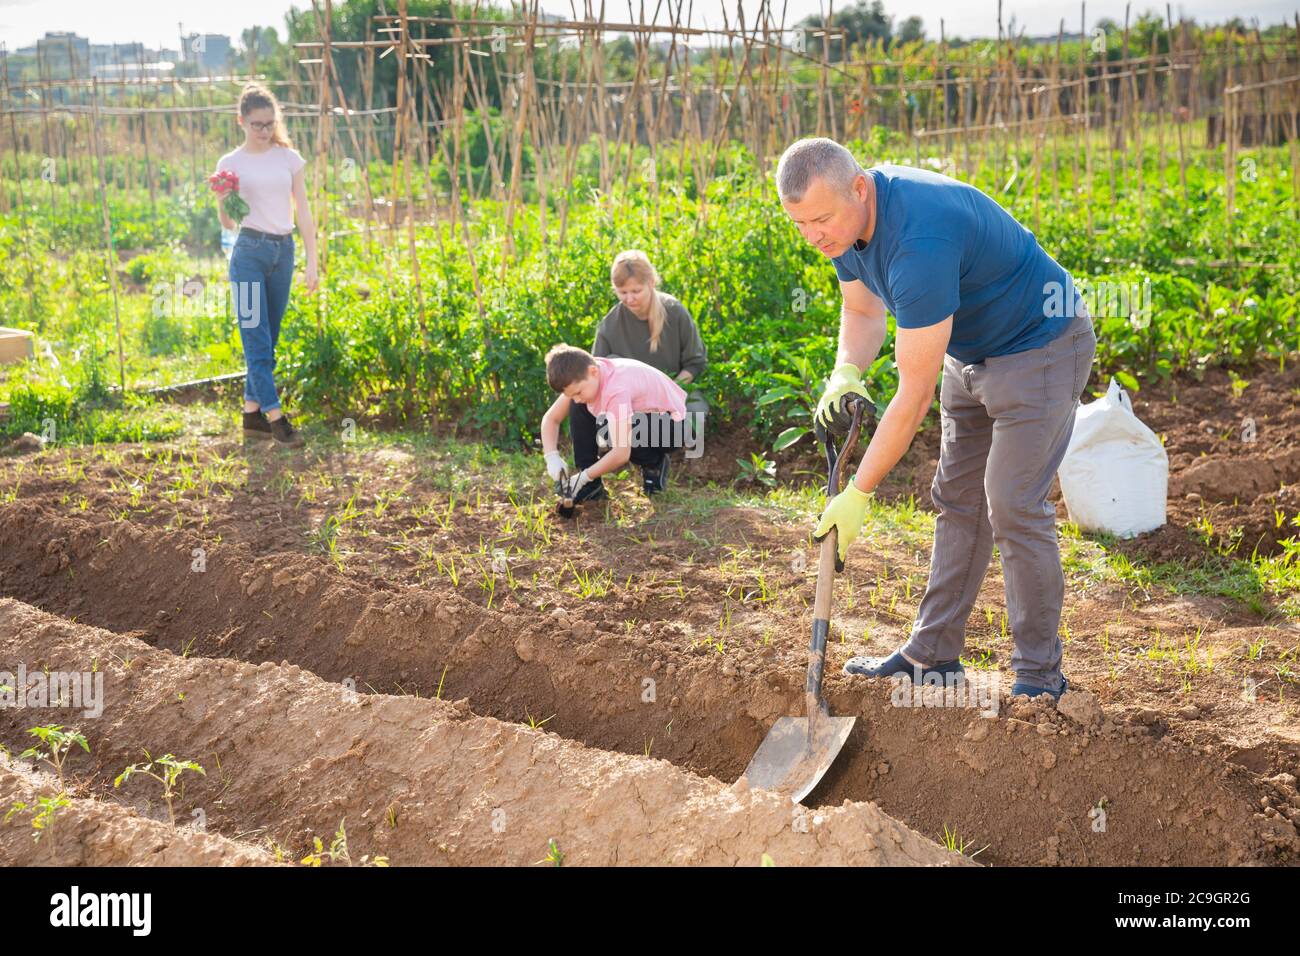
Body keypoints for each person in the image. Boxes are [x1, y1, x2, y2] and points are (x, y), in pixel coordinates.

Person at [776, 137, 1096, 701]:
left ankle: (1041, 680)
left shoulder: (919, 240)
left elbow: (913, 394)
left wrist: (858, 494)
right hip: (968, 351)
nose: (813, 236)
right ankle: (933, 655)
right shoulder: (845, 228)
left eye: (820, 219)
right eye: (799, 225)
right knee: (958, 498)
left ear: (859, 187)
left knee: (1013, 502)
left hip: (1041, 343)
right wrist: (845, 370)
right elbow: (861, 308)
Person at [214, 82, 318, 447]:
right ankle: (276, 419)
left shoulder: (289, 159)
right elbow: (229, 223)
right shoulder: (230, 164)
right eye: (257, 124)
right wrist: (225, 196)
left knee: (267, 341)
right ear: (241, 121)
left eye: (269, 123)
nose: (263, 131)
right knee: (255, 338)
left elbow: (302, 211)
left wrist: (312, 261)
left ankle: (250, 415)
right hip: (248, 254)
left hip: (283, 252)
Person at [590, 250, 708, 468]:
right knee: (607, 428)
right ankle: (647, 459)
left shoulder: (674, 311)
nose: (629, 298)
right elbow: (595, 374)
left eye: (636, 291)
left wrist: (666, 391)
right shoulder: (610, 324)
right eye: (622, 292)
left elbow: (695, 362)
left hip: (675, 391)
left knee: (693, 418)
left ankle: (666, 454)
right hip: (628, 402)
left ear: (651, 282)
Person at [539, 345, 689, 504]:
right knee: (578, 405)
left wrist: (582, 478)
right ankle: (592, 487)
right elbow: (551, 419)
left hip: (672, 428)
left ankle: (654, 464)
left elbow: (621, 453)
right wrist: (551, 457)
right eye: (572, 394)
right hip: (646, 419)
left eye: (578, 392)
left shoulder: (616, 388)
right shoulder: (586, 376)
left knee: (610, 430)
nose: (576, 397)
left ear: (593, 372)